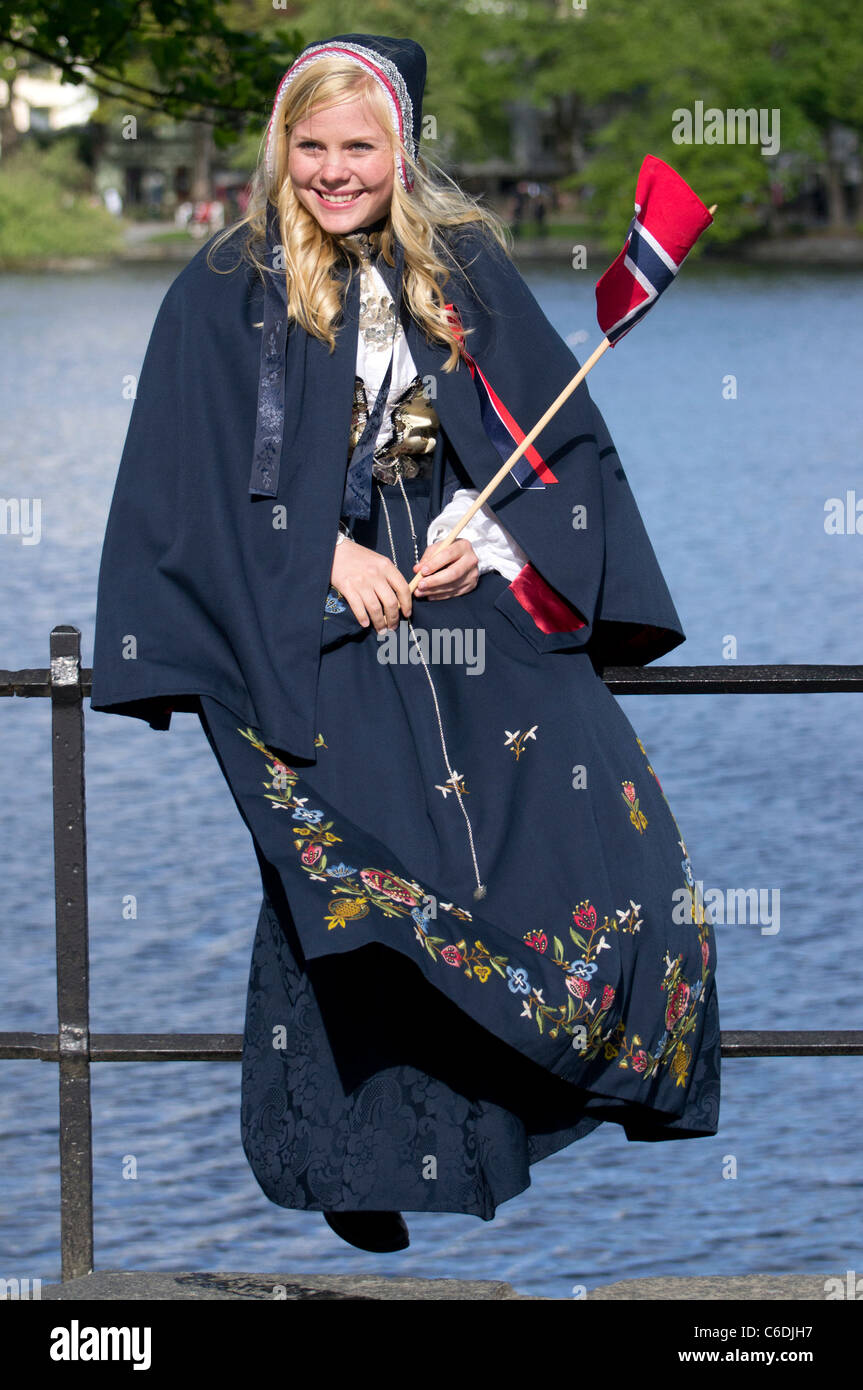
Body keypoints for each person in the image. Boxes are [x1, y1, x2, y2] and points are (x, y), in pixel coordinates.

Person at [90, 33, 721, 1256]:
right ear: (283, 148)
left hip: (444, 585)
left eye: (357, 149)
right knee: (353, 877)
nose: (331, 173)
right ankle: (346, 1156)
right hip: (282, 614)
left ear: (402, 148)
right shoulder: (226, 281)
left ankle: (570, 1077)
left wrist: (483, 535)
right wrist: (313, 554)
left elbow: (560, 444)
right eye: (309, 148)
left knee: (586, 820)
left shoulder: (463, 265)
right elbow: (180, 480)